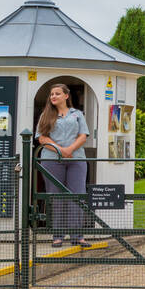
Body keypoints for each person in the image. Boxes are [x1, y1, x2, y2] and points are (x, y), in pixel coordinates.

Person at [36, 83, 91, 247]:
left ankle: (77, 236)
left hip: (76, 160)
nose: (53, 96)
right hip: (52, 160)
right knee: (56, 197)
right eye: (51, 94)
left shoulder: (77, 114)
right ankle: (58, 236)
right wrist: (61, 150)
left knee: (77, 196)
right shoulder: (45, 115)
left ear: (66, 96)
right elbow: (42, 138)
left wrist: (70, 150)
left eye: (57, 93)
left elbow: (83, 135)